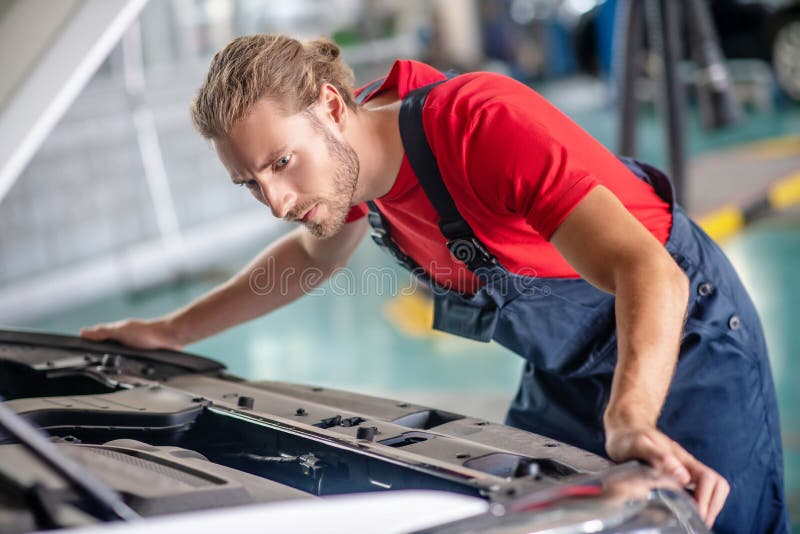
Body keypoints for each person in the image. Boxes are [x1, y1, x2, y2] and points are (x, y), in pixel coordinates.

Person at [80, 34, 788, 532]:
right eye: (250, 181)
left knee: (713, 521)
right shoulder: (352, 166)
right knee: (522, 521)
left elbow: (649, 274)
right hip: (569, 368)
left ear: (331, 107)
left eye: (281, 163)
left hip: (682, 335)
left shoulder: (481, 127)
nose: (276, 199)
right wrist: (169, 331)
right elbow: (311, 258)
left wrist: (630, 419)